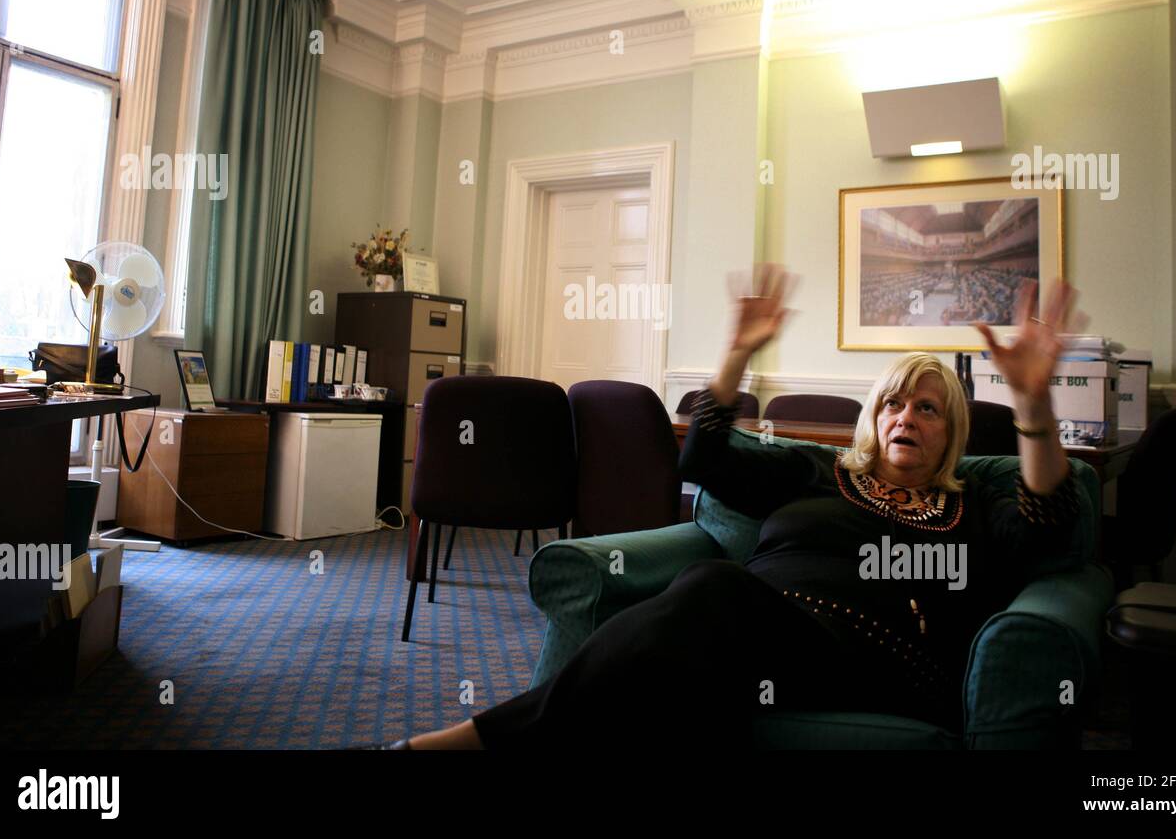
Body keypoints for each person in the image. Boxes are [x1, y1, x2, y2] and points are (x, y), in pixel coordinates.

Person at [389, 265, 1084, 750]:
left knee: (711, 589)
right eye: (893, 403)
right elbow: (706, 458)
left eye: (927, 408)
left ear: (952, 431)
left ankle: (469, 742)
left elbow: (1049, 527)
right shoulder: (815, 469)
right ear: (874, 420)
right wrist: (735, 356)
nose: (907, 416)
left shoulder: (970, 505)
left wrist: (1031, 403)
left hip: (877, 657)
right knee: (682, 664)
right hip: (754, 634)